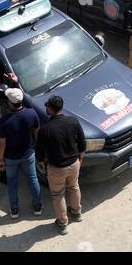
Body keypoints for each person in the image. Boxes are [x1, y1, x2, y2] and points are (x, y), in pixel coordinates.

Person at [36, 95, 84, 234]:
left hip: (56, 168)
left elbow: (39, 153)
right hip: (74, 163)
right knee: (74, 187)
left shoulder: (45, 129)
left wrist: (43, 163)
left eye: (47, 106)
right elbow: (82, 144)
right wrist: (80, 159)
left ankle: (62, 223)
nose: (46, 108)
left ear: (50, 108)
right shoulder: (73, 121)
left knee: (58, 195)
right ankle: (77, 212)